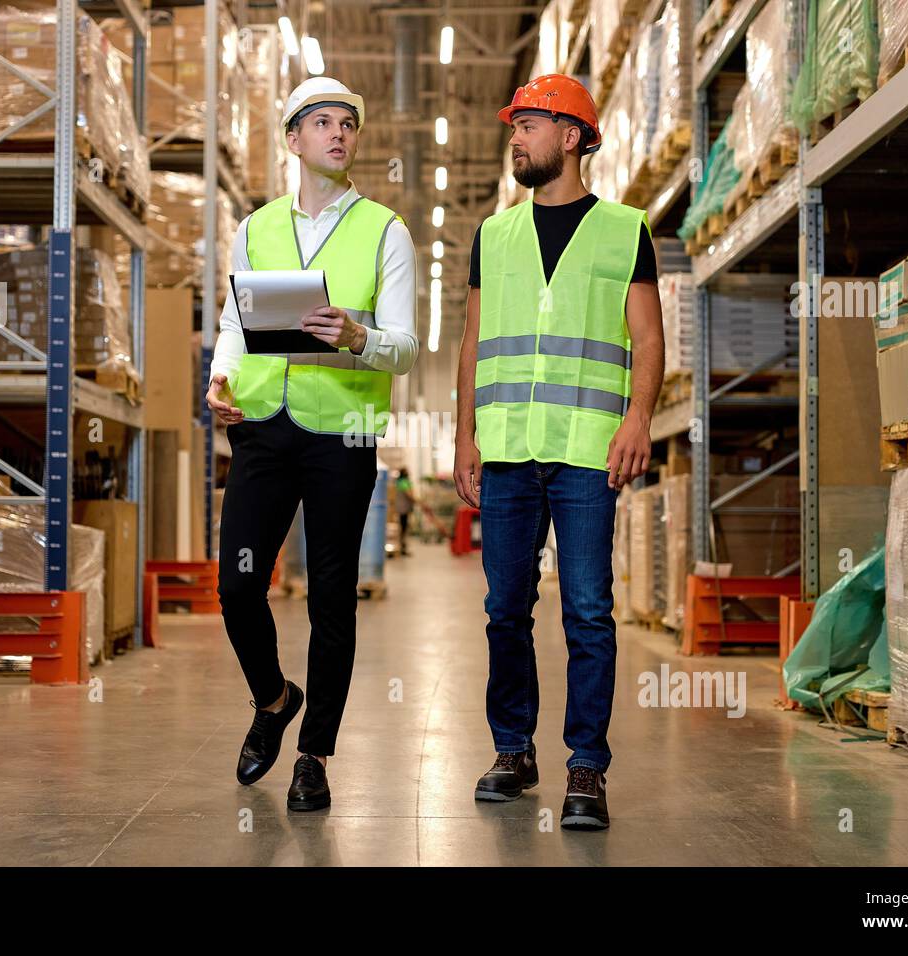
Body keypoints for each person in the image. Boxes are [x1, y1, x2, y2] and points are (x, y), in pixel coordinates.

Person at [453, 74, 665, 830]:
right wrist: (464, 437)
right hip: (508, 447)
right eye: (516, 126)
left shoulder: (624, 228)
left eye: (531, 125)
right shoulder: (495, 233)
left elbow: (646, 338)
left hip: (585, 450)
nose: (517, 137)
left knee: (587, 611)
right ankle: (514, 747)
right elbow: (474, 342)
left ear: (572, 137)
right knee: (505, 609)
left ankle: (586, 766)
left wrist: (638, 418)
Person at [205, 77, 418, 813]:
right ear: (293, 139)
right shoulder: (256, 227)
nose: (337, 134)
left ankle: (314, 755)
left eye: (348, 124)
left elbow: (406, 347)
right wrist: (220, 376)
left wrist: (359, 337)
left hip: (343, 432)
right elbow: (235, 320)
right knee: (237, 585)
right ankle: (272, 699)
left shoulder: (386, 230)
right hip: (263, 425)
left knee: (333, 598)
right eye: (321, 122)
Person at [393, 468, 415, 555]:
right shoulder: (403, 482)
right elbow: (409, 494)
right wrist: (418, 501)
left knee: (403, 527)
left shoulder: (400, 482)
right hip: (403, 508)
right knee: (403, 528)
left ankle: (402, 547)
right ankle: (402, 548)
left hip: (402, 507)